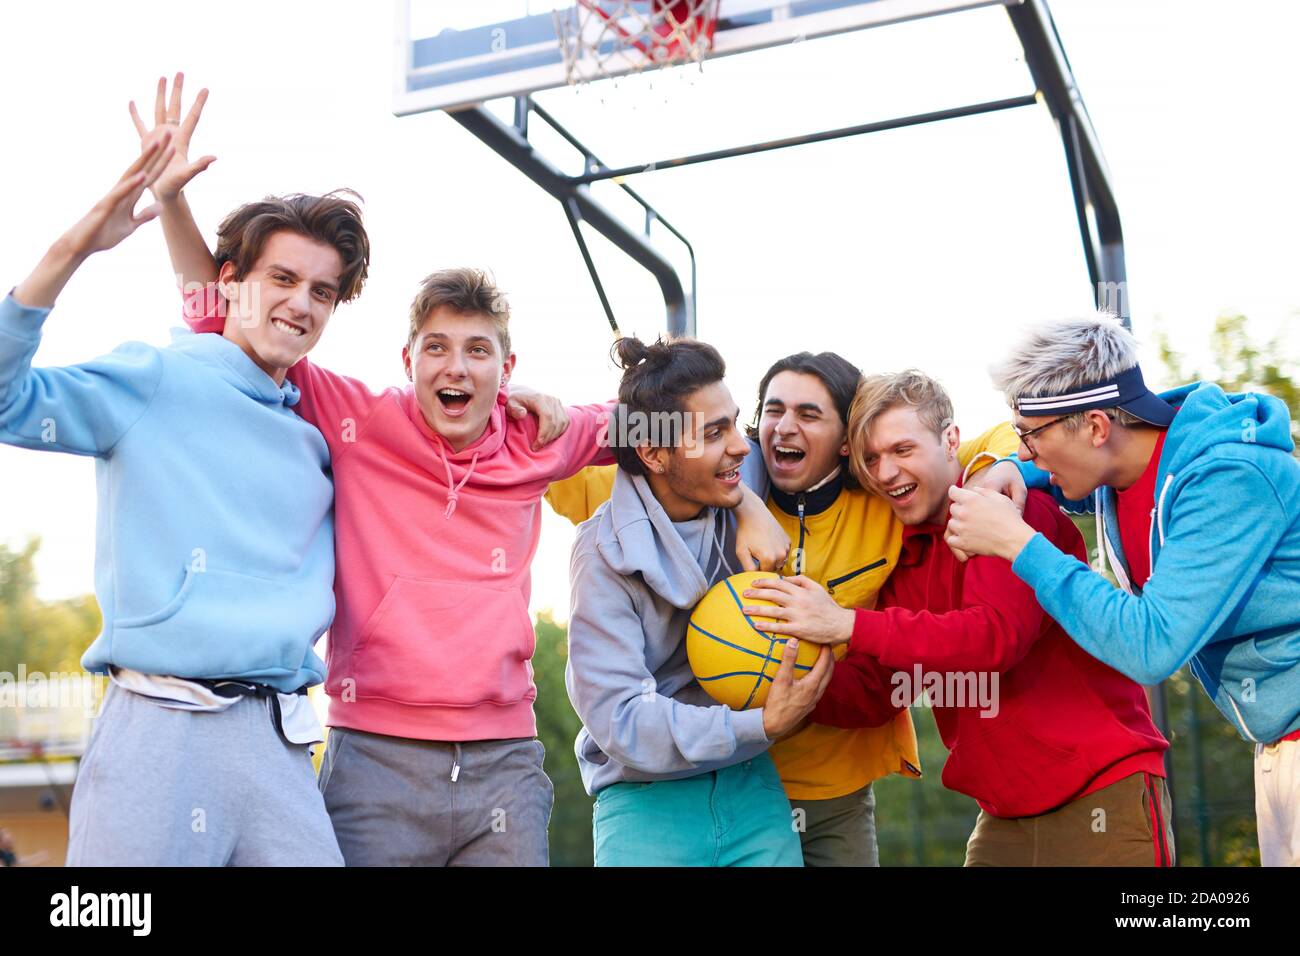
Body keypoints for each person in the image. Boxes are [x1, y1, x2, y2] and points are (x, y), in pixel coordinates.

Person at [154, 76, 788, 865]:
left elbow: (684, 432)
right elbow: (224, 320)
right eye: (439, 348)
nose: (457, 367)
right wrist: (173, 203)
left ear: (505, 364)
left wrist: (749, 507)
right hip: (372, 759)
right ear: (409, 360)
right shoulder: (356, 419)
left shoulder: (541, 436)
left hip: (503, 764)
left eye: (478, 350)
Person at [1, 129, 364, 865]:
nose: (301, 304)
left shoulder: (316, 435)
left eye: (321, 291)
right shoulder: (154, 379)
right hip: (157, 731)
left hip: (280, 742)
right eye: (283, 279)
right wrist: (76, 246)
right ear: (228, 282)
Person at [549, 352, 1021, 865]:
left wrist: (996, 469)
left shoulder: (881, 493)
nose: (772, 433)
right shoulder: (689, 499)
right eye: (771, 412)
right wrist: (542, 413)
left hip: (792, 783)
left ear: (847, 441)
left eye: (810, 415)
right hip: (691, 781)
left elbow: (986, 440)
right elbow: (565, 448)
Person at [745, 370, 1175, 866]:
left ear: (951, 440)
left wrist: (846, 624)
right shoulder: (903, 556)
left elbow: (994, 638)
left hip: (1101, 793)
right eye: (871, 459)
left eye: (902, 450)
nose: (886, 473)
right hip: (1002, 816)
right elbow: (880, 687)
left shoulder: (1007, 510)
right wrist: (784, 683)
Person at [945, 314, 1300, 866]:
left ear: (1095, 426)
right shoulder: (1125, 469)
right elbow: (1049, 470)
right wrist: (1007, 467)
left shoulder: (1230, 478)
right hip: (1277, 745)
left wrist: (1019, 545)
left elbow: (1150, 647)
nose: (1029, 451)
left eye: (1032, 434)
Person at [566, 336, 830, 867]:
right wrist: (759, 725)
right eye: (715, 432)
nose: (741, 445)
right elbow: (619, 718)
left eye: (734, 422)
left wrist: (1004, 463)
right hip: (644, 805)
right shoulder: (601, 554)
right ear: (654, 453)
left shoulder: (737, 475)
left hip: (752, 787)